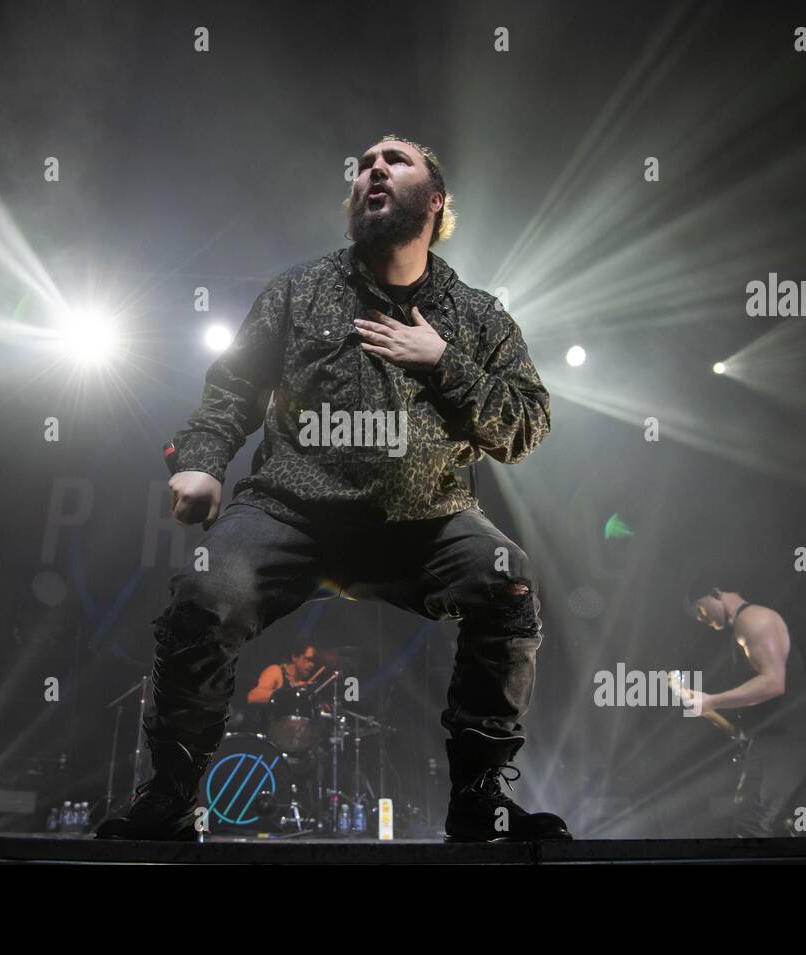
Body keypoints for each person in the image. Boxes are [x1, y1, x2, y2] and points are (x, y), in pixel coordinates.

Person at [98, 134, 567, 842]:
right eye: (365, 164)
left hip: (424, 522)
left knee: (508, 582)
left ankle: (480, 801)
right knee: (203, 595)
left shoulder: (476, 316)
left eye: (395, 160)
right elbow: (231, 391)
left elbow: (527, 425)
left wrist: (444, 361)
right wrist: (199, 460)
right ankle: (170, 798)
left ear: (434, 204)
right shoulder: (298, 290)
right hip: (290, 512)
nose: (373, 167)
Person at [684, 575, 806, 836]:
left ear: (715, 593)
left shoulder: (753, 620)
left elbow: (773, 683)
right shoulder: (746, 625)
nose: (700, 618)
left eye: (699, 609)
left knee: (750, 821)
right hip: (802, 737)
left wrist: (711, 700)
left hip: (785, 738)